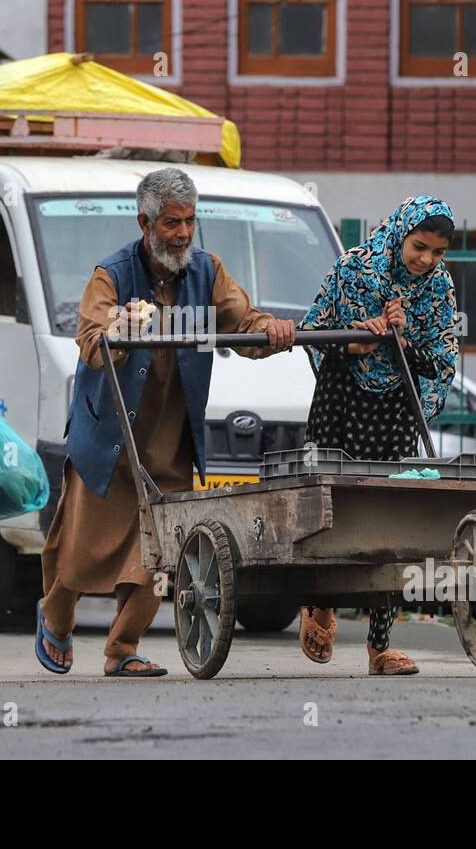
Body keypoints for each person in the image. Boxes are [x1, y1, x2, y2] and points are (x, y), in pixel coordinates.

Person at [36, 167, 297, 676]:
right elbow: (89, 340)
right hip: (112, 437)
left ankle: (121, 649)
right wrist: (119, 329)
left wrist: (271, 329)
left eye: (190, 222)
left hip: (172, 438)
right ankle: (56, 615)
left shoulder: (206, 271)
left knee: (159, 553)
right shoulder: (110, 275)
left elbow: (243, 319)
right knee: (81, 553)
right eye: (172, 223)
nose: (182, 233)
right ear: (145, 222)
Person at [297, 195, 459, 675]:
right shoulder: (353, 269)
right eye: (419, 247)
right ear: (400, 234)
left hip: (394, 410)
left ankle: (379, 647)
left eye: (437, 252)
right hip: (339, 402)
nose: (426, 260)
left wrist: (403, 340)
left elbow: (442, 357)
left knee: (391, 516)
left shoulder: (438, 289)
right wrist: (355, 341)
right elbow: (312, 331)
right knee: (330, 509)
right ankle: (319, 605)